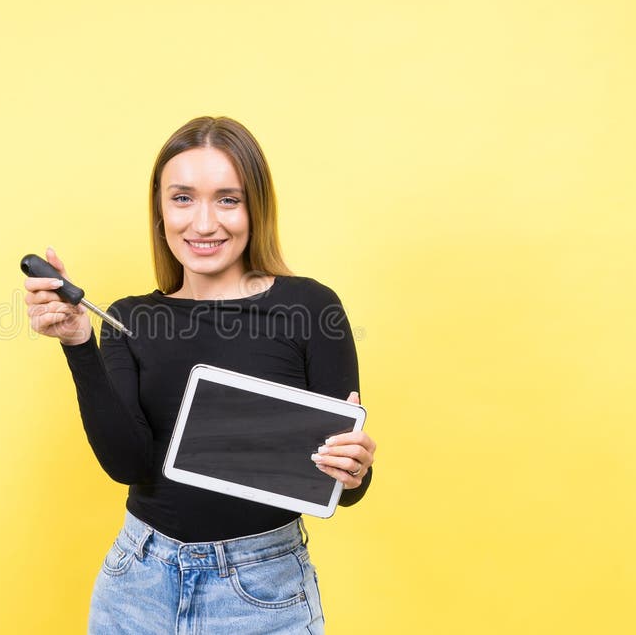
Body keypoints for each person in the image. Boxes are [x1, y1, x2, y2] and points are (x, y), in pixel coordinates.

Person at [24, 116, 377, 634]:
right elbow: (128, 464)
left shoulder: (310, 308)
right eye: (183, 198)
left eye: (228, 199)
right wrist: (79, 345)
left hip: (262, 591)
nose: (204, 223)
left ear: (256, 208)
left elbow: (341, 489)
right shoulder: (128, 319)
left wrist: (355, 469)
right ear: (160, 212)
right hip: (137, 584)